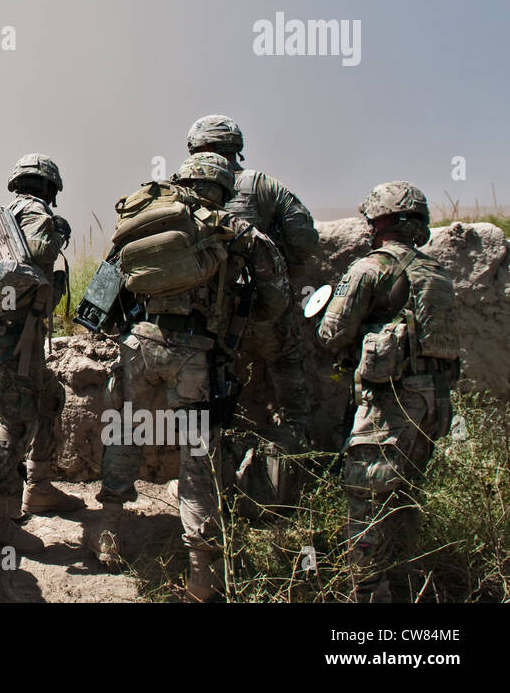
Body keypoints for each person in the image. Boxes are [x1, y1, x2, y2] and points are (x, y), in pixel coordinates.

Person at [96, 152, 289, 600]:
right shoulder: (238, 230)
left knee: (122, 432)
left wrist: (114, 327)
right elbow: (276, 297)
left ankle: (108, 536)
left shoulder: (149, 215)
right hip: (198, 355)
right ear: (225, 188)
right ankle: (202, 578)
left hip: (139, 345)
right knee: (198, 460)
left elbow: (105, 284)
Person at [316, 181, 458, 602]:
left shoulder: (371, 267)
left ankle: (369, 596)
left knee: (366, 501)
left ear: (378, 222)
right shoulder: (436, 272)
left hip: (390, 404)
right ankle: (407, 585)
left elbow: (331, 333)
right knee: (405, 500)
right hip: (434, 404)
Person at [0, 153, 84, 551]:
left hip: (7, 333)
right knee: (14, 421)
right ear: (49, 187)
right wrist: (55, 235)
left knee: (51, 397)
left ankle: (39, 487)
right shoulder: (36, 214)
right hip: (16, 337)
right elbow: (38, 254)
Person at [186, 115, 318, 443]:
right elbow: (304, 239)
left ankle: (213, 459)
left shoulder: (177, 190)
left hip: (202, 316)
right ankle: (294, 440)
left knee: (208, 384)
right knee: (286, 359)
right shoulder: (264, 185)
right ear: (236, 148)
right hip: (262, 308)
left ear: (195, 148)